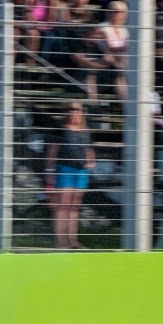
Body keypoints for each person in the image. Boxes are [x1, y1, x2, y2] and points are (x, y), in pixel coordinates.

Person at [46, 103, 95, 250]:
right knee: (63, 207)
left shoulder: (85, 130)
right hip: (65, 169)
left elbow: (89, 149)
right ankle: (61, 242)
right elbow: (52, 152)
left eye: (76, 109)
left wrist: (91, 161)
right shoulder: (60, 129)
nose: (73, 112)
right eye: (70, 109)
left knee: (74, 207)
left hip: (81, 171)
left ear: (81, 112)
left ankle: (73, 240)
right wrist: (49, 173)